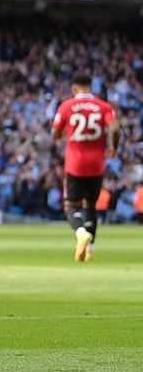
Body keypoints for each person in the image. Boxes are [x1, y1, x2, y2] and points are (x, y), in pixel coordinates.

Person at [51, 73, 120, 262]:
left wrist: (59, 135)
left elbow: (55, 133)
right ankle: (89, 250)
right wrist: (113, 147)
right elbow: (114, 128)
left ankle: (81, 233)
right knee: (91, 205)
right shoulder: (104, 106)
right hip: (97, 164)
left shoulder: (66, 106)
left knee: (71, 206)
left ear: (74, 89)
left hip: (75, 164)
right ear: (90, 87)